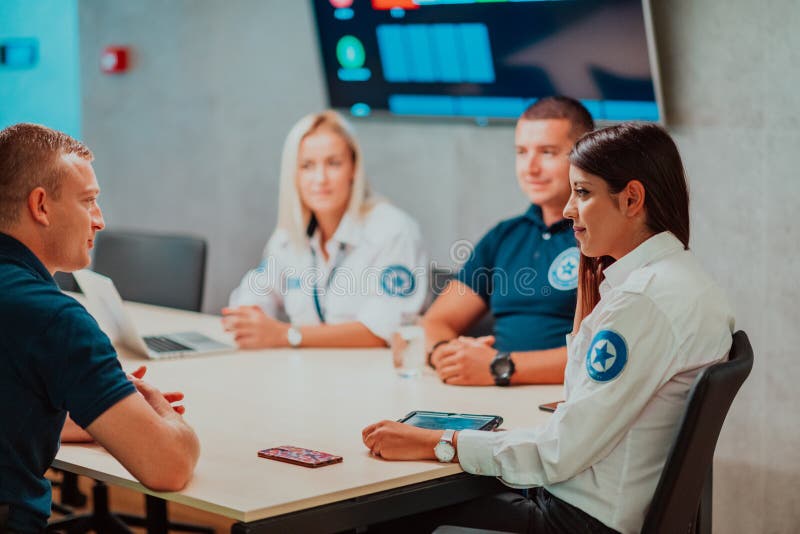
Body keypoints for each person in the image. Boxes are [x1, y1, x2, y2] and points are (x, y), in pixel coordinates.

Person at [362, 122, 735, 534]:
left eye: (583, 192)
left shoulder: (640, 303)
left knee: (384, 516)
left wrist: (438, 442)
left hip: (578, 519)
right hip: (601, 502)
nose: (568, 210)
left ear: (631, 199)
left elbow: (559, 452)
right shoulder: (683, 279)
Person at [0, 124, 200, 533]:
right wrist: (159, 411)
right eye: (89, 201)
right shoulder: (55, 319)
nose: (100, 221)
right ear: (41, 206)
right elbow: (170, 467)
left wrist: (100, 414)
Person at [424, 96, 594, 386]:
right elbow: (438, 320)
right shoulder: (505, 235)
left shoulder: (602, 236)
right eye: (521, 152)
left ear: (585, 155)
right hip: (497, 395)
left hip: (564, 401)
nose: (530, 168)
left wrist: (499, 367)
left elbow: (605, 351)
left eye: (547, 152)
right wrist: (444, 353)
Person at [225, 110, 427, 349]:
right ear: (294, 175)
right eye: (307, 166)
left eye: (334, 164)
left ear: (353, 168)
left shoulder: (393, 230)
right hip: (307, 373)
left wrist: (286, 335)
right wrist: (250, 317)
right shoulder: (289, 236)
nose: (320, 179)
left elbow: (384, 331)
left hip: (370, 376)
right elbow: (255, 293)